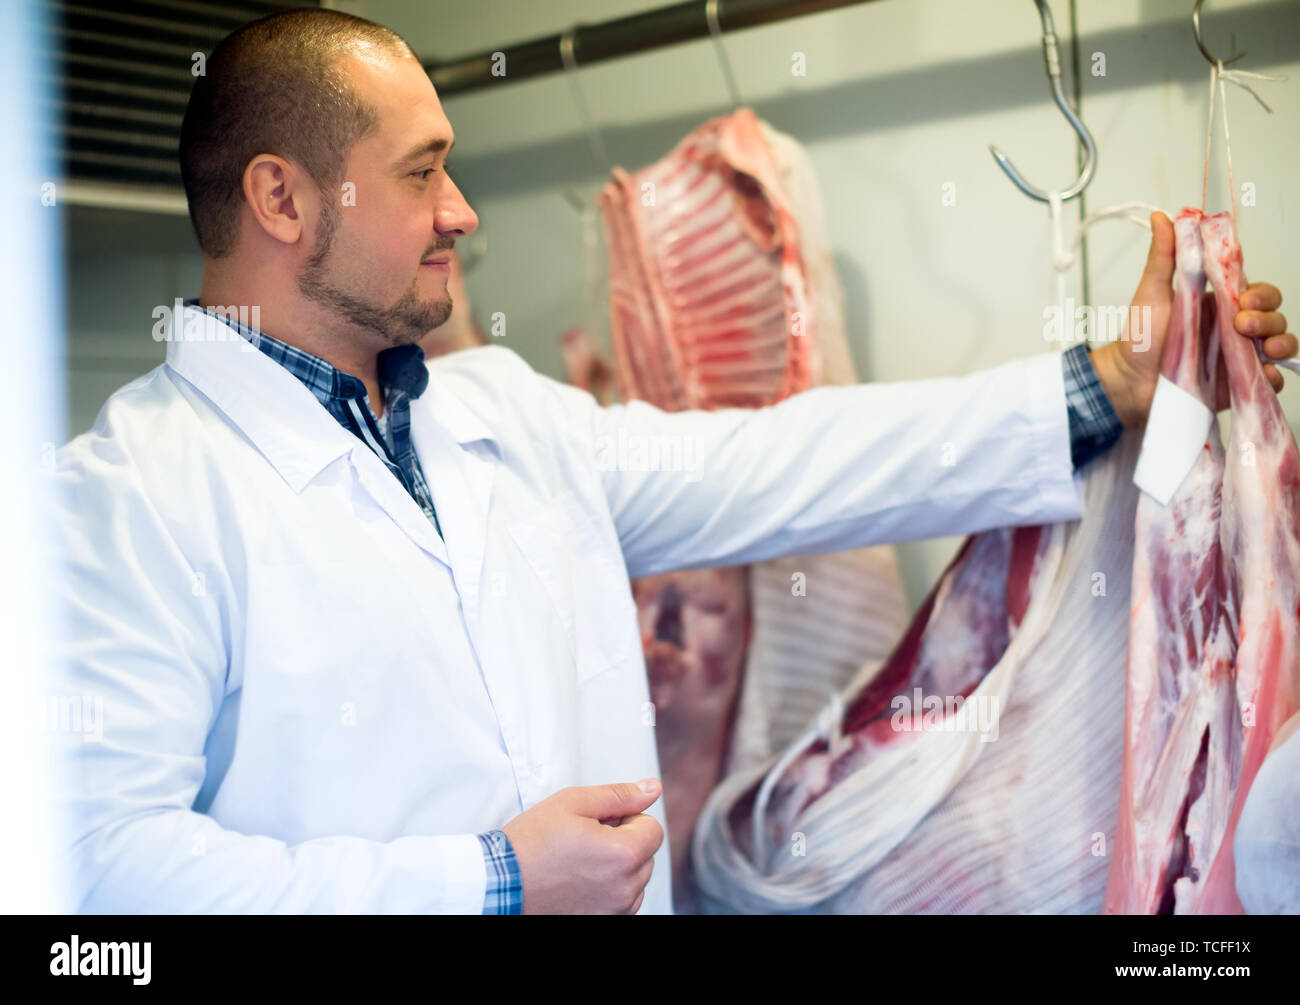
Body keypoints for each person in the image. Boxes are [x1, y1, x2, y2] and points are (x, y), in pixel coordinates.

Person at [48, 8, 1295, 915]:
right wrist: (484, 882)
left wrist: (1105, 386)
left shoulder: (499, 418)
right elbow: (97, 878)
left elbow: (781, 462)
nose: (462, 211)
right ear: (281, 201)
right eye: (424, 172)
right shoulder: (120, 502)